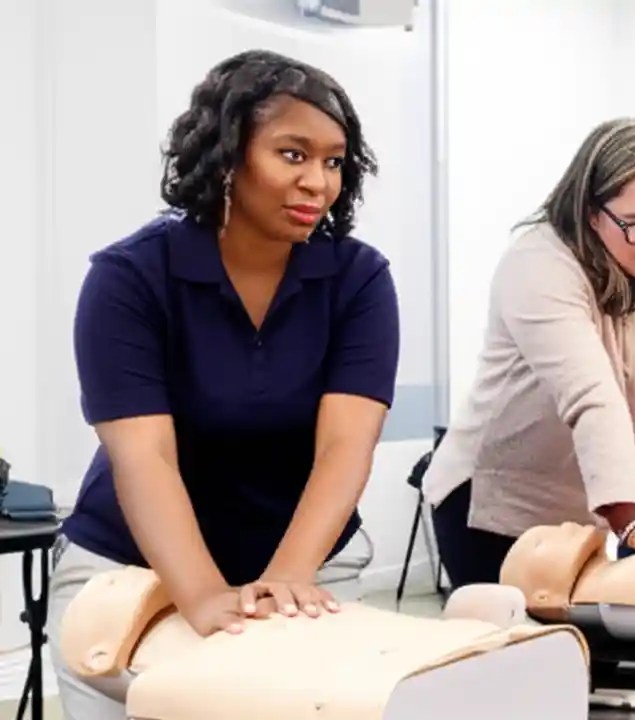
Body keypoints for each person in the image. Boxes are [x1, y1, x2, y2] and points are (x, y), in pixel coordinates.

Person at [49, 49, 398, 718]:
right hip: (133, 572)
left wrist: (288, 581)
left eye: (333, 161)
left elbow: (345, 448)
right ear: (225, 154)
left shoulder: (358, 279)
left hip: (308, 564)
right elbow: (144, 457)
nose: (317, 183)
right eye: (292, 154)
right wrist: (204, 597)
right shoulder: (129, 278)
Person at [424, 117, 635, 590]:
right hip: (495, 501)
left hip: (585, 503)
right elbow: (591, 393)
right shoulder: (539, 263)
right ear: (589, 211)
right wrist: (634, 523)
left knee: (577, 652)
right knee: (508, 651)